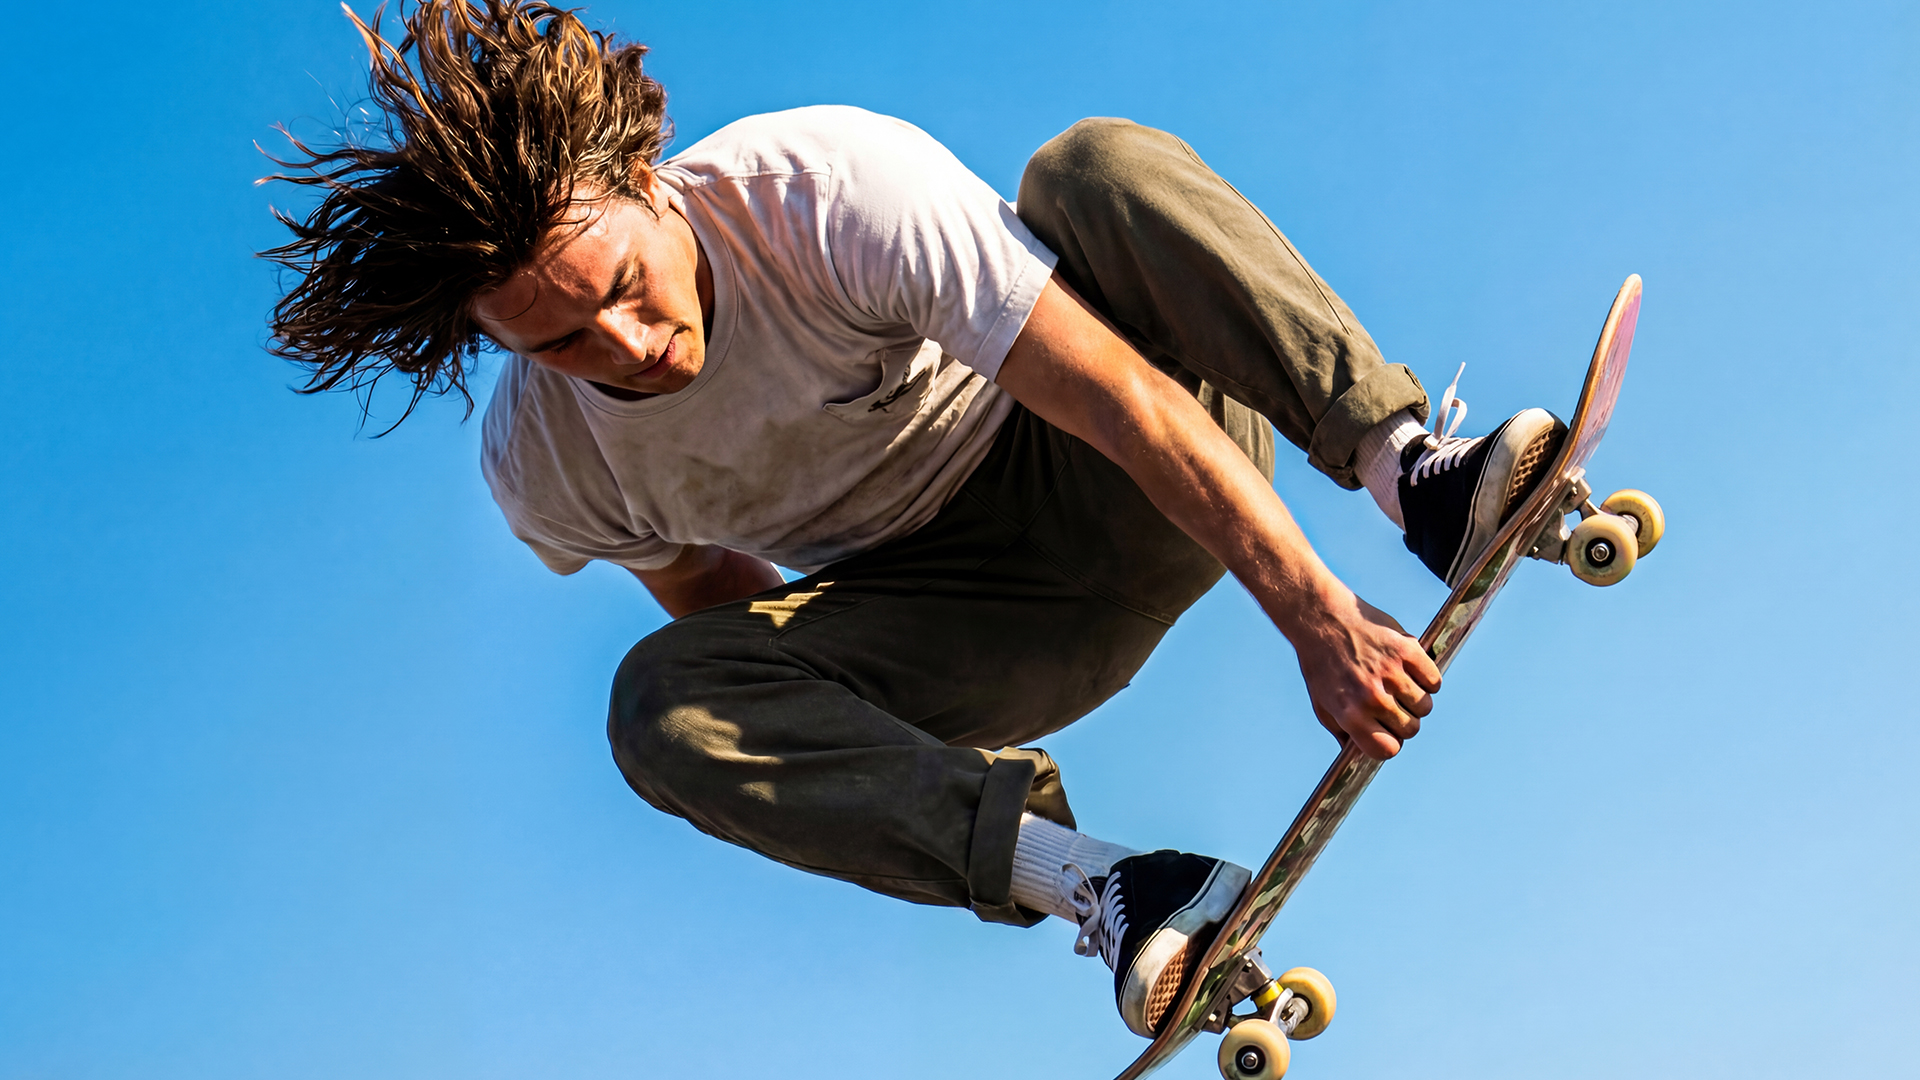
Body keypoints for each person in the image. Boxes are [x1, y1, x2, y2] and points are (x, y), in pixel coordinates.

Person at [264, 1, 1566, 1040]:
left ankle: (1419, 474)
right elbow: (730, 612)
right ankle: (1111, 887)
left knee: (1094, 168)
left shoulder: (825, 191)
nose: (625, 342)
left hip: (1117, 455)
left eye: (622, 285)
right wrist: (911, 775)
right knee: (662, 701)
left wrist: (1317, 614)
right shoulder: (545, 466)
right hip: (981, 622)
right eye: (557, 339)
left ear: (652, 184)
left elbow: (1115, 398)